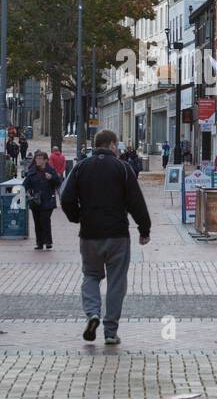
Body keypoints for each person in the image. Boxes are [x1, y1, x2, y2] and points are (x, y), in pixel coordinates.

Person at [61, 129, 151, 346]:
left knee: (91, 275)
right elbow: (135, 201)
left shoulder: (81, 167)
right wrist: (144, 229)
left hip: (90, 233)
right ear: (111, 144)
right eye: (117, 146)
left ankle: (92, 313)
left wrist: (77, 217)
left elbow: (66, 197)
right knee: (116, 282)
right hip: (117, 234)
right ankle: (110, 331)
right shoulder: (123, 168)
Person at [24, 150, 62, 250]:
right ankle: (39, 243)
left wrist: (51, 178)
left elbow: (58, 182)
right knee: (37, 222)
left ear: (45, 160)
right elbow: (25, 185)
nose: (38, 160)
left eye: (41, 158)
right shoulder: (32, 171)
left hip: (48, 200)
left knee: (45, 219)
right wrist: (27, 193)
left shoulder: (51, 170)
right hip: (36, 201)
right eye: (37, 158)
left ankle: (48, 242)